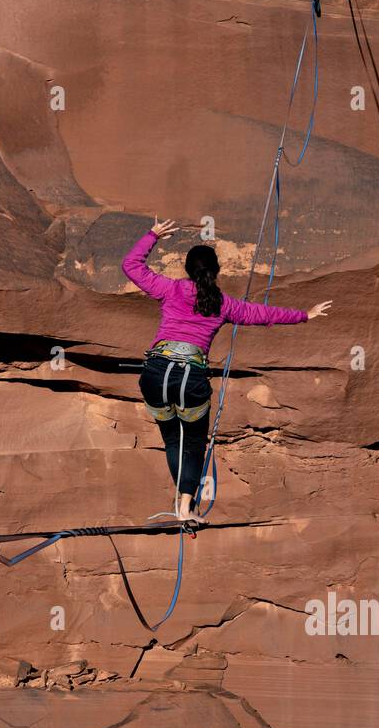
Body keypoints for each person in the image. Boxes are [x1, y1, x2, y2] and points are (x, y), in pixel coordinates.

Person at [122, 218, 331, 520]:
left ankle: (181, 501)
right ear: (215, 272)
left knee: (172, 439)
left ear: (188, 270)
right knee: (193, 442)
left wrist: (152, 235)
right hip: (190, 376)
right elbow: (263, 314)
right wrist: (304, 315)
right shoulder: (223, 304)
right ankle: (184, 505)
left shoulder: (171, 289)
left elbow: (132, 266)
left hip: (156, 371)